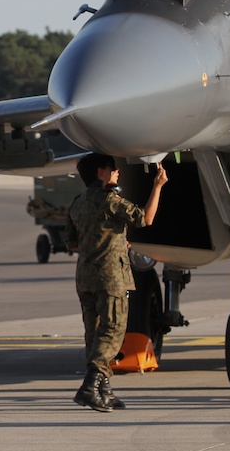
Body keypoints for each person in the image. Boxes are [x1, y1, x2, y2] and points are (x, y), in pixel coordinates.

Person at [65, 154, 168, 412]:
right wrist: (157, 186)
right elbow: (146, 218)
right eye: (113, 170)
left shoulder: (77, 203)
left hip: (85, 278)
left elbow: (74, 242)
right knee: (112, 331)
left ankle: (104, 390)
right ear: (101, 172)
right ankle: (90, 386)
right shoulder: (110, 201)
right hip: (111, 279)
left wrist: (114, 241)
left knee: (94, 333)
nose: (117, 174)